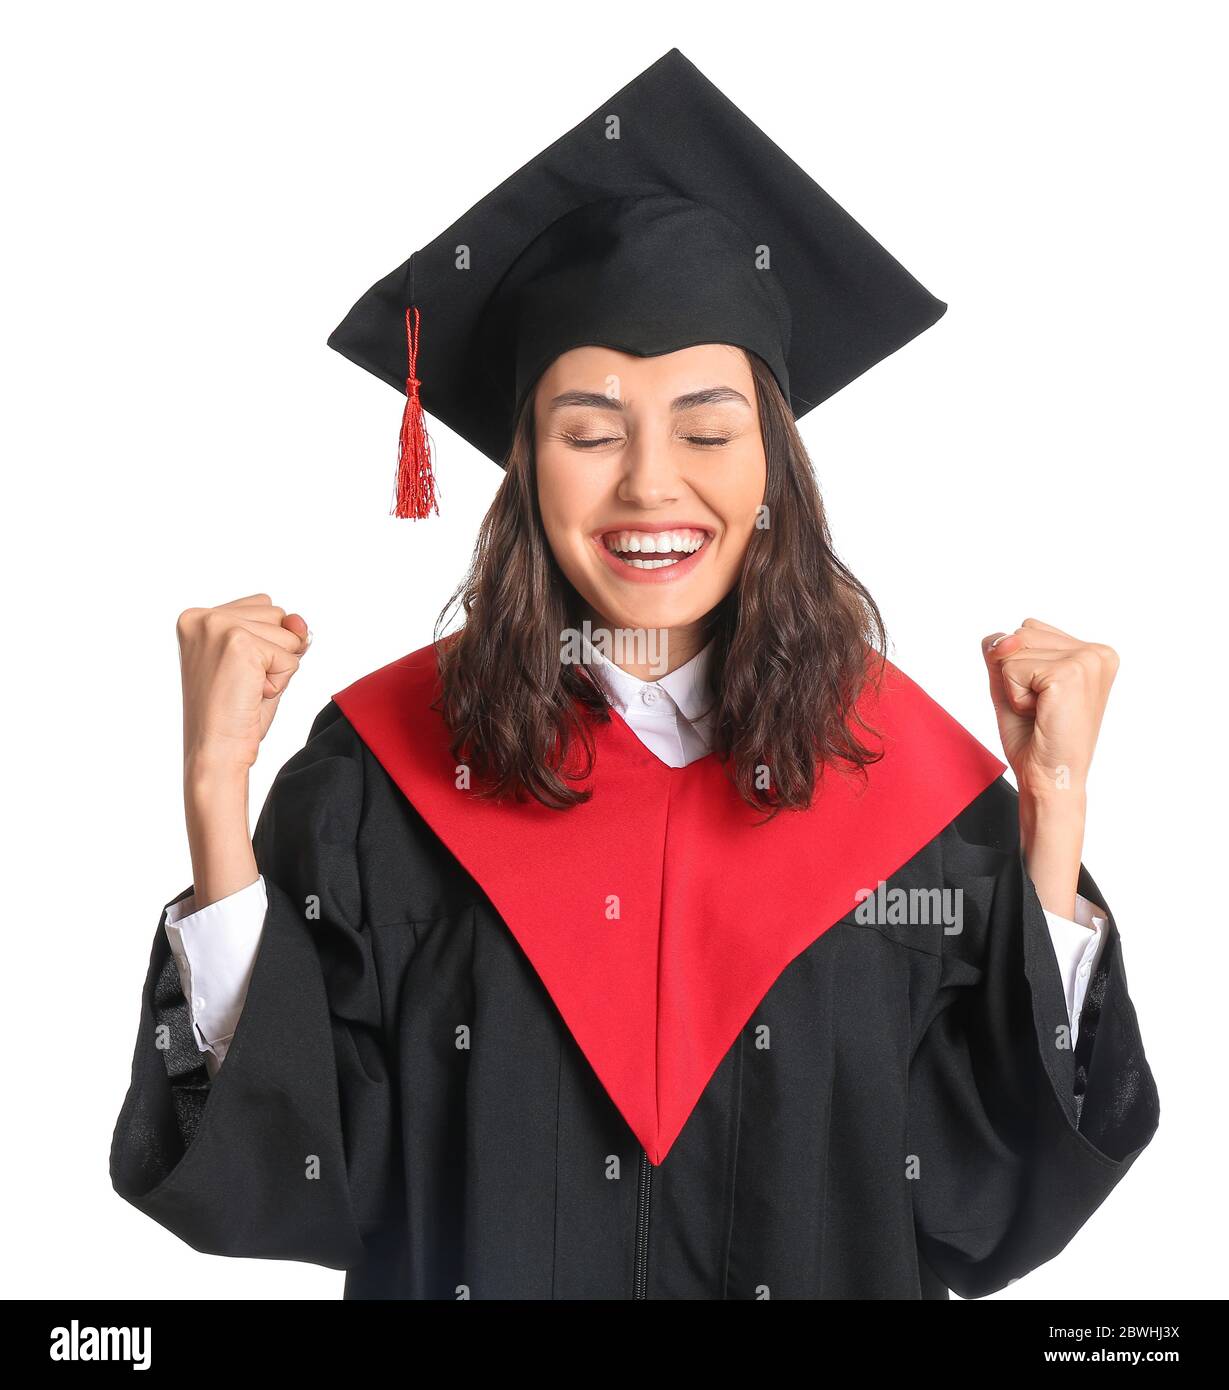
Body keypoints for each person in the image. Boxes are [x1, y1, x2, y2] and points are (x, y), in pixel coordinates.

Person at [109, 48, 1159, 1300]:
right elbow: (296, 1181)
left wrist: (1050, 821)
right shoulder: (379, 784)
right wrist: (217, 793)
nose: (652, 484)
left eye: (707, 430)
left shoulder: (916, 807)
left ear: (771, 461)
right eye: (590, 433)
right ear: (523, 466)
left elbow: (987, 1204)